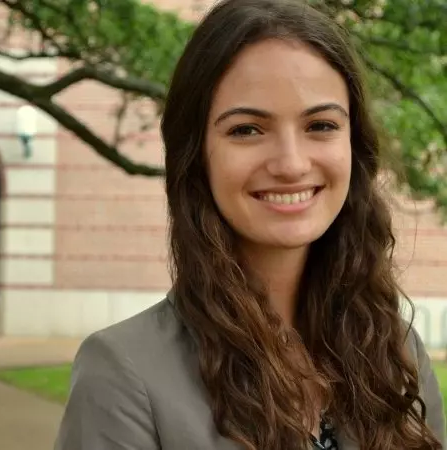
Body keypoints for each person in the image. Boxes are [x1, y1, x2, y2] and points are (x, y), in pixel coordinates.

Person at [54, 0, 446, 449]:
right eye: (247, 130)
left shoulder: (396, 354)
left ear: (353, 146)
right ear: (196, 153)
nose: (291, 164)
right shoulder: (124, 374)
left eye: (320, 124)